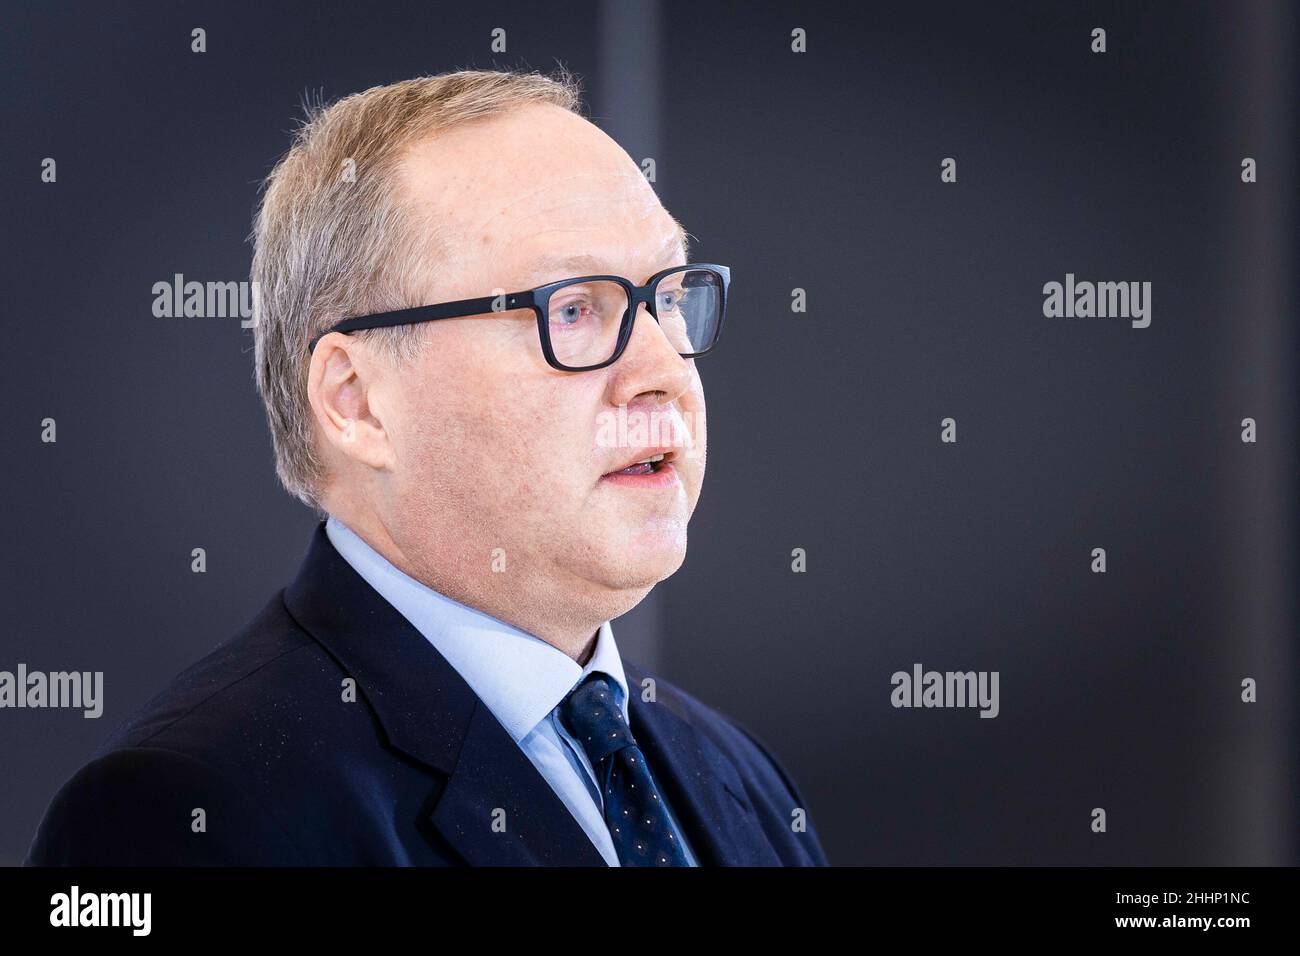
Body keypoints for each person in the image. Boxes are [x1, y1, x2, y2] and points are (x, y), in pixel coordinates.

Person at [25, 69, 828, 866]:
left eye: (669, 296)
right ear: (358, 401)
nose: (661, 368)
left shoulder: (739, 782)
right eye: (574, 309)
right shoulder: (185, 812)